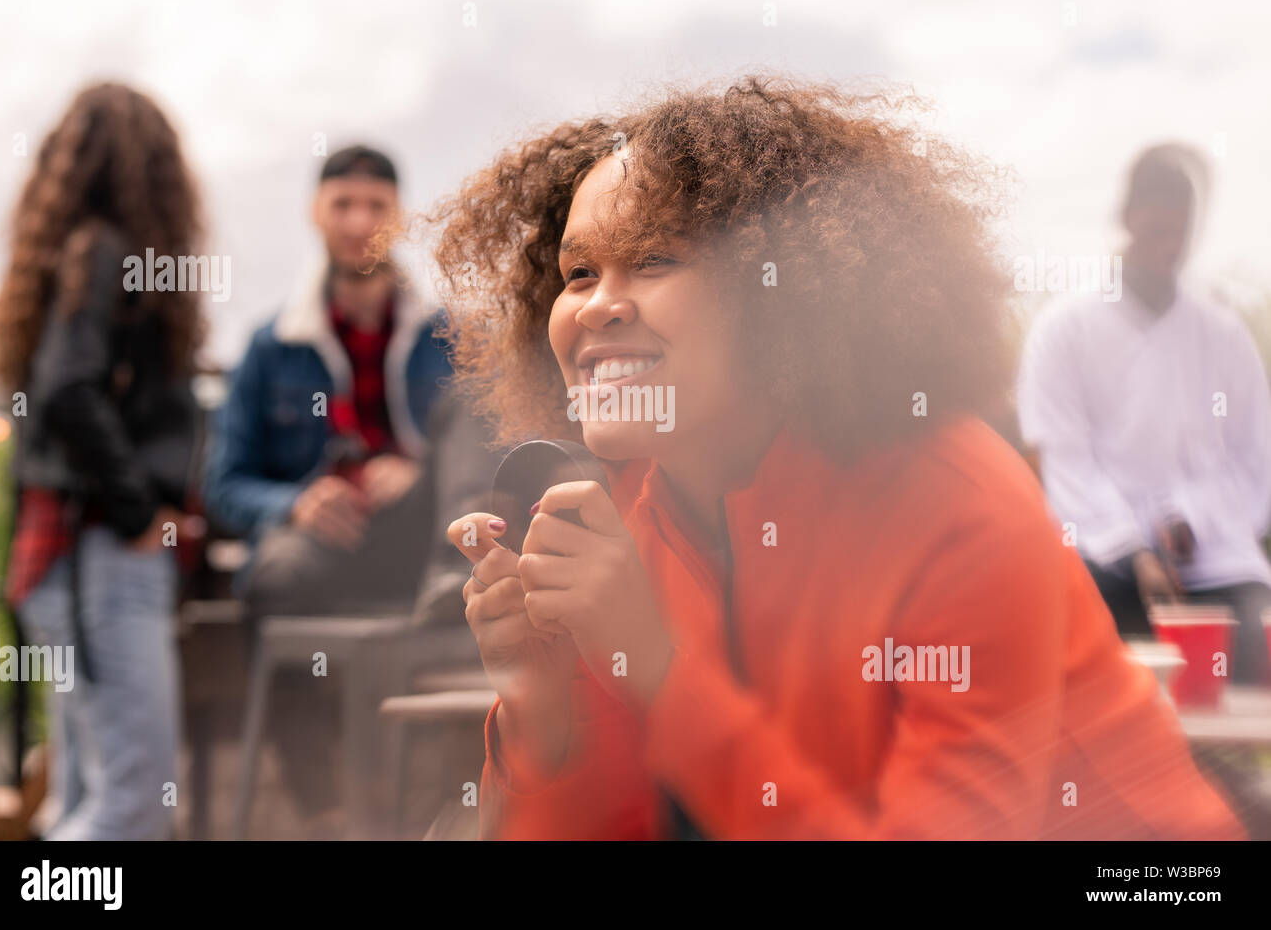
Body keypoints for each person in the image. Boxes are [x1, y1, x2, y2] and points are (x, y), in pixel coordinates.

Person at [435, 77, 1245, 839]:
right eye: (579, 273)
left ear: (774, 295)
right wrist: (539, 715)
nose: (600, 304)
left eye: (655, 260)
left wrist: (659, 667)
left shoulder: (955, 504)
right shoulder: (621, 517)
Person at [203, 144, 498, 826]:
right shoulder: (269, 345)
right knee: (272, 576)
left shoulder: (451, 334)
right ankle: (322, 805)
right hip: (326, 540)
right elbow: (225, 484)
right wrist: (296, 503)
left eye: (377, 206)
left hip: (428, 532)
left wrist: (418, 467)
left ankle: (458, 580)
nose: (360, 221)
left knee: (478, 399)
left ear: (399, 217)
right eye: (344, 204)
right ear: (317, 212)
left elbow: (479, 444)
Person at [0, 83, 203, 839]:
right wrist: (140, 509)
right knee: (136, 800)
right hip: (99, 552)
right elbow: (69, 389)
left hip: (66, 555)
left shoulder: (67, 256)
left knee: (83, 796)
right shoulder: (109, 250)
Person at [1018, 143, 1271, 686]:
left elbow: (1256, 461)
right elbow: (1065, 460)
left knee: (1253, 647)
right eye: (1156, 228)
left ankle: (1233, 772)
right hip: (1103, 556)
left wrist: (1190, 522)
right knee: (1085, 663)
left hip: (1216, 561)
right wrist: (1133, 550)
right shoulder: (1065, 329)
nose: (1169, 245)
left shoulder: (1223, 336)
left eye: (1180, 231)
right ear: (1128, 218)